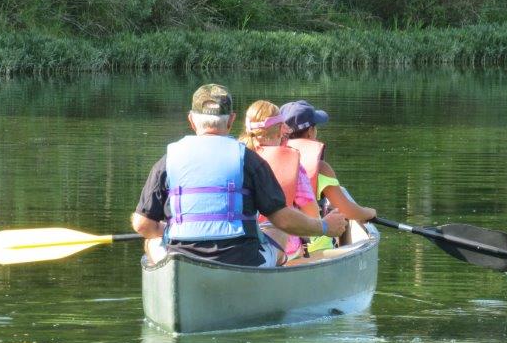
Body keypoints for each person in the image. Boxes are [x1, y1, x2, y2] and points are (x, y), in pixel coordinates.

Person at [131, 85, 347, 267]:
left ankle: (169, 271)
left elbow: (142, 225)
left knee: (151, 242)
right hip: (242, 260)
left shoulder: (168, 160)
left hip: (183, 258)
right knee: (277, 232)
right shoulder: (249, 160)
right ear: (230, 120)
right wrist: (326, 227)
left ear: (191, 120)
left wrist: (164, 229)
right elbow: (283, 219)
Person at [279, 100, 376, 251]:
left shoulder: (270, 159)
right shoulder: (321, 168)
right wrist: (368, 213)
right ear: (310, 131)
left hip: (280, 247)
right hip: (316, 249)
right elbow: (346, 210)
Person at [238, 100, 320, 260]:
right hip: (284, 248)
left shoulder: (236, 159)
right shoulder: (293, 165)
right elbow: (313, 215)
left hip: (239, 242)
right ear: (280, 131)